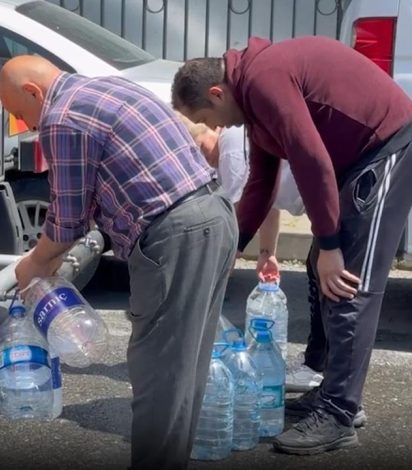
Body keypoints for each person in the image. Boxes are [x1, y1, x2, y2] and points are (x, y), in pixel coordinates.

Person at [171, 35, 412, 455]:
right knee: (324, 268)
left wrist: (331, 243)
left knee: (348, 280)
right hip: (358, 157)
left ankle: (339, 413)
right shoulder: (251, 94)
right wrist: (232, 251)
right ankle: (331, 392)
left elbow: (309, 156)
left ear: (216, 92)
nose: (216, 129)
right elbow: (260, 184)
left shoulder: (264, 78)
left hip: (389, 144)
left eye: (210, 119)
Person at [0, 55, 237, 468]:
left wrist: (33, 265)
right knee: (185, 372)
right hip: (214, 216)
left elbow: (68, 219)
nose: (29, 126)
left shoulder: (62, 117)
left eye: (22, 114)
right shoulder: (107, 87)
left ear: (34, 93)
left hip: (176, 234)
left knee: (159, 377)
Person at [176, 115, 324, 392]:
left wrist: (212, 280)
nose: (203, 160)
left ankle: (327, 377)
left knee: (327, 281)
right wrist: (267, 252)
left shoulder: (230, 149)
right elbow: (266, 201)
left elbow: (234, 226)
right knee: (318, 274)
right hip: (322, 196)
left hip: (333, 192)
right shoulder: (229, 148)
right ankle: (316, 367)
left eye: (200, 149)